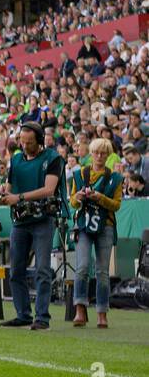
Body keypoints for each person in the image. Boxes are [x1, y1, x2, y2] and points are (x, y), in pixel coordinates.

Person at [0, 121, 63, 330]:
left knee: (42, 269)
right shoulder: (16, 159)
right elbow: (8, 187)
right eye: (22, 142)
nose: (24, 146)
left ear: (40, 141)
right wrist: (2, 194)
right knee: (16, 271)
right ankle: (23, 314)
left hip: (43, 219)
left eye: (29, 142)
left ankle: (42, 317)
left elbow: (49, 189)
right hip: (20, 220)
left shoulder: (53, 158)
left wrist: (18, 197)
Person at [70, 137, 122, 328]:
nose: (99, 156)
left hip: (105, 225)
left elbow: (116, 205)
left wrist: (100, 198)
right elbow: (72, 202)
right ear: (90, 154)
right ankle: (80, 309)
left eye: (103, 153)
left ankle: (102, 312)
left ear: (108, 155)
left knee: (102, 271)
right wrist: (78, 196)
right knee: (82, 267)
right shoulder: (79, 174)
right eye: (96, 152)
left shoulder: (115, 178)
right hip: (84, 225)